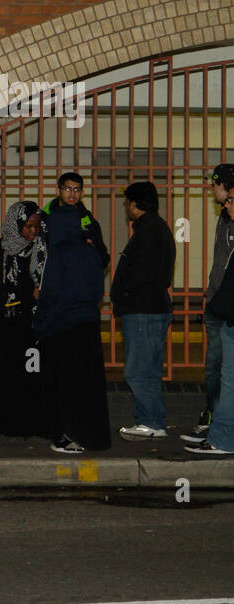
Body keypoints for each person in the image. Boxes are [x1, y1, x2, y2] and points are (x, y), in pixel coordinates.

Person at [33, 203, 111, 453]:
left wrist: (41, 325)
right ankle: (92, 436)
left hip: (62, 327)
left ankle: (64, 436)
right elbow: (99, 292)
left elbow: (51, 293)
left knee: (61, 386)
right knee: (87, 385)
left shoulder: (58, 253)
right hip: (88, 324)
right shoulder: (92, 254)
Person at [111, 181, 176, 442]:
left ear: (136, 204)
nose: (126, 206)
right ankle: (151, 421)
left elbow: (140, 273)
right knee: (148, 370)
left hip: (143, 311)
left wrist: (123, 293)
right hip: (152, 308)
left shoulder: (148, 232)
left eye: (128, 202)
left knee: (138, 371)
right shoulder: (157, 228)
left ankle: (150, 421)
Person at [0, 200, 44, 437]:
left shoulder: (42, 250)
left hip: (35, 324)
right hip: (8, 324)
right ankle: (10, 425)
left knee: (34, 374)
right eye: (28, 226)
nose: (33, 232)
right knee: (9, 377)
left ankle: (35, 423)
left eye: (36, 227)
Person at [186, 164, 234, 444]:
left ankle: (220, 425)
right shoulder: (224, 218)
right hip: (216, 301)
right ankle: (215, 417)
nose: (212, 189)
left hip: (226, 305)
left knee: (224, 368)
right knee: (215, 366)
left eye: (215, 184)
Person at [46, 171, 110, 270]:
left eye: (77, 189)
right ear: (58, 191)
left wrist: (91, 250)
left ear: (82, 193)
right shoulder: (45, 217)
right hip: (54, 277)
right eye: (67, 189)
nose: (72, 194)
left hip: (81, 279)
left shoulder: (88, 220)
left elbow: (103, 258)